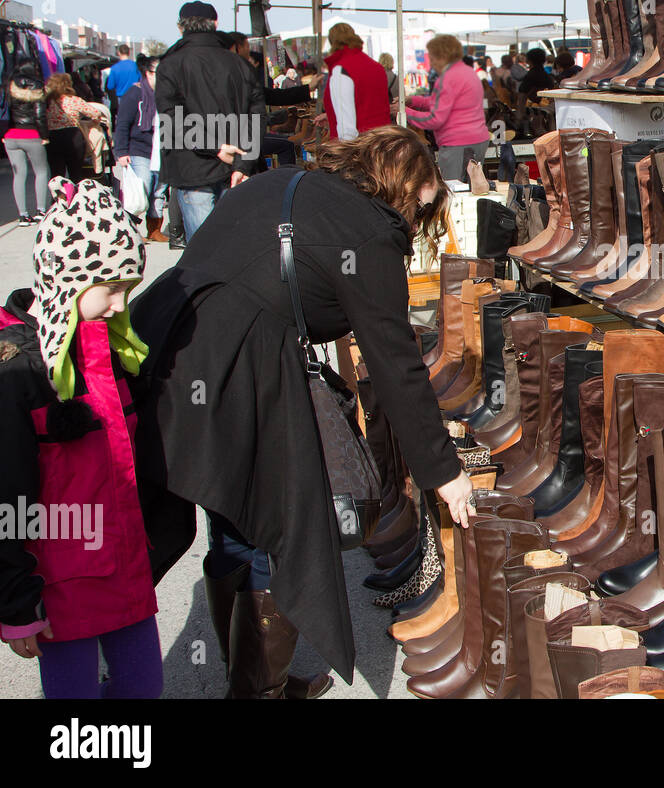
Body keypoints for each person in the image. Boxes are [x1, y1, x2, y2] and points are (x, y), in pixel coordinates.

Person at [130, 125, 472, 696]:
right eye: (423, 203)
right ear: (408, 186)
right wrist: (445, 472)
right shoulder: (368, 231)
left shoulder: (284, 182)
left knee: (232, 520)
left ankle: (256, 679)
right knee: (278, 526)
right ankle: (256, 690)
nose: (418, 219)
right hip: (234, 364)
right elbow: (396, 366)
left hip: (168, 337)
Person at [0, 178, 165, 698]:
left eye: (127, 290)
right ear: (70, 280)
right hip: (59, 582)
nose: (120, 305)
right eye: (111, 288)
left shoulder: (109, 349)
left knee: (143, 688)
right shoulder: (20, 370)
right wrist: (16, 601)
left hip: (124, 568)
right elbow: (7, 490)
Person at [154, 1, 264, 242]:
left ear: (181, 27)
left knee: (203, 251)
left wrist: (219, 149)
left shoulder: (170, 65)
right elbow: (256, 116)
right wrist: (243, 162)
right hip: (230, 166)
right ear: (214, 24)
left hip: (193, 169)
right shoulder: (240, 65)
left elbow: (172, 118)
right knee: (231, 249)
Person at [405, 34, 491, 181]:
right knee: (473, 189)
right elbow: (439, 102)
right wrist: (413, 101)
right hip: (478, 139)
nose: (431, 63)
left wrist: (404, 112)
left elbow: (435, 119)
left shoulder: (447, 78)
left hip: (457, 144)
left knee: (454, 192)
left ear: (440, 56)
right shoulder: (468, 72)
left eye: (431, 57)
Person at [113, 56, 169, 243]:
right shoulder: (134, 94)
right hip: (139, 149)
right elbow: (122, 124)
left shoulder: (167, 94)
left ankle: (154, 229)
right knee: (141, 187)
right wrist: (121, 151)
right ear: (147, 73)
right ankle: (130, 228)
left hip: (161, 149)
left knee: (159, 190)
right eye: (156, 73)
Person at [319, 24, 389, 141]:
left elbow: (346, 126)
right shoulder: (376, 66)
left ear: (332, 42)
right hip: (382, 140)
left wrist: (346, 151)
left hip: (360, 146)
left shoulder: (342, 69)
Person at [4, 61, 51, 226]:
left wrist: (4, 133)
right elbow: (40, 116)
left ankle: (23, 215)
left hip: (11, 136)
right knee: (41, 171)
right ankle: (40, 211)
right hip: (32, 135)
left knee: (19, 174)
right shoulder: (37, 86)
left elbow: (6, 111)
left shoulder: (9, 86)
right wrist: (44, 136)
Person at [44, 73, 108, 183]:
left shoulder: (47, 102)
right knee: (76, 172)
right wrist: (93, 122)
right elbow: (95, 113)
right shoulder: (73, 100)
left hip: (53, 137)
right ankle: (75, 196)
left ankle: (59, 197)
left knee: (56, 174)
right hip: (73, 136)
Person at [103, 44, 141, 117]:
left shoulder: (114, 68)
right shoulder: (135, 66)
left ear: (118, 52)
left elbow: (110, 86)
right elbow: (141, 81)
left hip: (122, 99)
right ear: (129, 52)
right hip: (135, 98)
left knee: (124, 122)